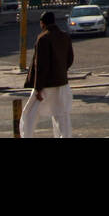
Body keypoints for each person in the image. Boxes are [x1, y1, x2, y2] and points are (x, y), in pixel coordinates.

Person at [20, 10, 75, 138]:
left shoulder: (43, 38)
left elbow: (40, 66)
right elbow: (70, 59)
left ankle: (26, 136)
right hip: (62, 83)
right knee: (61, 115)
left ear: (42, 23)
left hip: (46, 85)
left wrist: (38, 89)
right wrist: (61, 70)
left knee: (29, 114)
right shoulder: (65, 36)